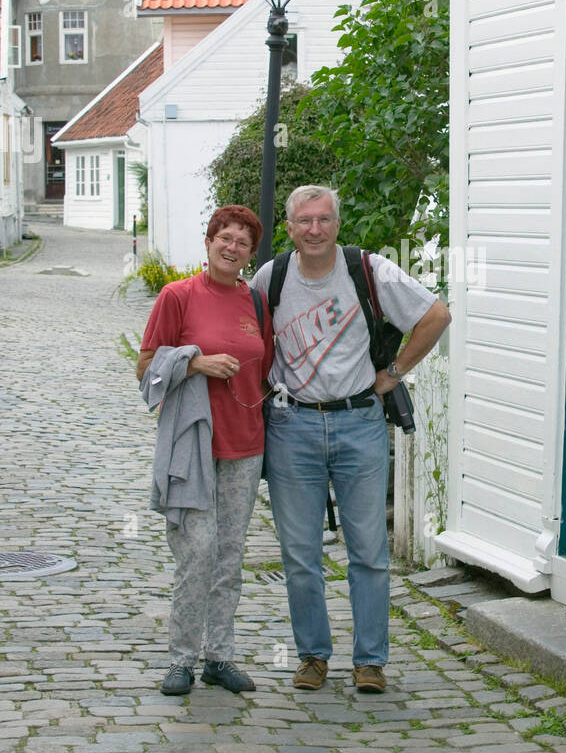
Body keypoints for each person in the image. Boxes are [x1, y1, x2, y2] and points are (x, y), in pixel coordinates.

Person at [252, 185, 450, 694]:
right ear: (290, 228)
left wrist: (394, 372)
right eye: (303, 221)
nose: (314, 229)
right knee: (299, 554)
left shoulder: (370, 270)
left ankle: (370, 663)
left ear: (337, 224)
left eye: (323, 219)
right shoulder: (269, 278)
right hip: (291, 426)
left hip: (359, 422)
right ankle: (312, 656)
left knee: (368, 550)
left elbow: (436, 315)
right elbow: (247, 341)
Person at [137, 206, 273, 696]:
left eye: (242, 242)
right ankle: (181, 660)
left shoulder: (256, 304)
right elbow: (146, 369)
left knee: (230, 554)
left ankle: (219, 656)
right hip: (192, 445)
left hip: (245, 444)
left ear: (250, 254)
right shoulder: (178, 297)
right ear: (209, 241)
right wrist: (195, 363)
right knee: (197, 551)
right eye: (224, 237)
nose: (231, 247)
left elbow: (266, 369)